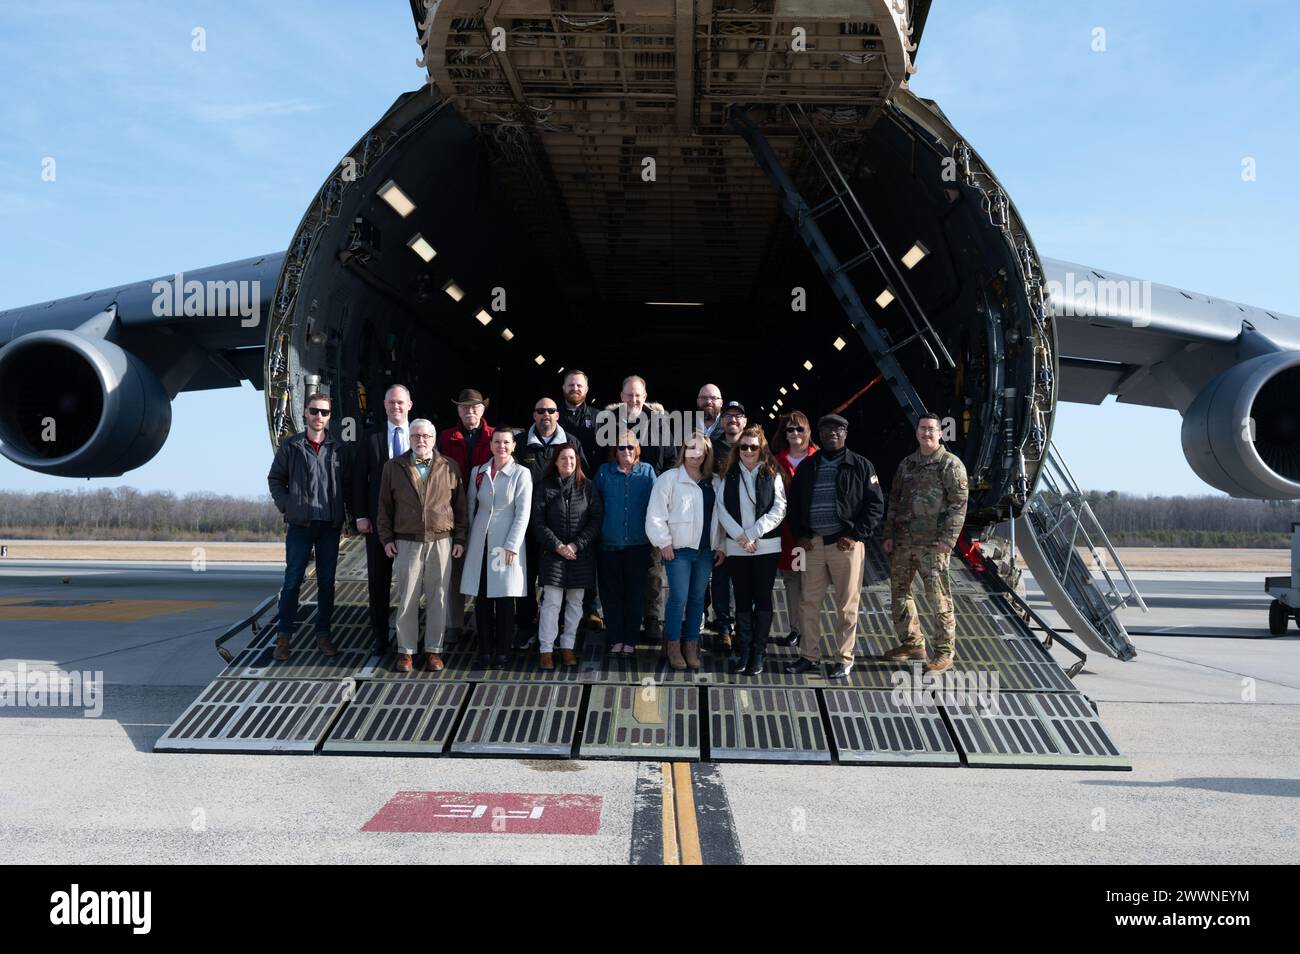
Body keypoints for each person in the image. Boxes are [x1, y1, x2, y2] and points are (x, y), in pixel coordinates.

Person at [784, 414, 885, 679]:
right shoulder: (808, 466)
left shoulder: (861, 466)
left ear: (846, 433)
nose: (832, 433)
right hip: (813, 544)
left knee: (847, 605)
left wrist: (855, 535)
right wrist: (801, 535)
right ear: (819, 433)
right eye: (827, 428)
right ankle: (809, 655)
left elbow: (875, 506)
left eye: (838, 428)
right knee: (808, 602)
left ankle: (844, 658)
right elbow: (793, 505)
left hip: (846, 546)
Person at [881, 413, 970, 674]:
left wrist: (948, 540)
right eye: (922, 429)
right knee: (899, 595)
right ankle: (912, 643)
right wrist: (888, 535)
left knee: (939, 599)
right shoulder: (907, 464)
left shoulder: (950, 465)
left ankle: (944, 653)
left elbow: (959, 505)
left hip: (933, 546)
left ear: (940, 433)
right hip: (904, 543)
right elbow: (894, 501)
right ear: (917, 432)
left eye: (931, 429)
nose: (926, 433)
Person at [266, 392, 351, 662]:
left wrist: (347, 517)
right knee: (292, 581)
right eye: (314, 411)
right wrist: (286, 506)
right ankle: (283, 636)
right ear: (305, 413)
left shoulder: (338, 449)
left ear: (330, 417)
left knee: (327, 582)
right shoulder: (291, 446)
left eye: (324, 412)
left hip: (329, 525)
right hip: (300, 525)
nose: (319, 417)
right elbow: (275, 479)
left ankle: (323, 634)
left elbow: (347, 486)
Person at [376, 419, 467, 672]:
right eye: (415, 436)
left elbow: (460, 507)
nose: (421, 440)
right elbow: (383, 507)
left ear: (434, 438)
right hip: (407, 542)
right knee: (408, 598)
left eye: (426, 436)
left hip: (441, 541)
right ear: (409, 439)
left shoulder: (450, 466)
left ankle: (434, 651)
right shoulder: (393, 467)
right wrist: (386, 539)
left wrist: (459, 538)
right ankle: (406, 652)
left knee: (438, 598)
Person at [598, 375, 678, 644]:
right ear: (621, 396)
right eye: (629, 395)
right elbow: (600, 461)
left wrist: (664, 497)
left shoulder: (661, 424)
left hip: (651, 502)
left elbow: (670, 461)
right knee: (619, 573)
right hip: (619, 500)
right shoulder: (608, 423)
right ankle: (617, 623)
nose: (634, 400)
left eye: (638, 395)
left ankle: (652, 618)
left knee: (653, 569)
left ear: (646, 397)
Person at [645, 431, 723, 671]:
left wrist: (721, 545)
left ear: (707, 454)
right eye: (691, 448)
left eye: (701, 449)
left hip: (705, 552)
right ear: (684, 450)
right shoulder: (669, 479)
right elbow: (655, 514)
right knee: (678, 597)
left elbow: (721, 518)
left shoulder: (714, 482)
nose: (695, 453)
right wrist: (663, 542)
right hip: (678, 551)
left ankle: (691, 645)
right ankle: (673, 646)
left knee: (697, 599)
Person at [515, 396, 589, 646]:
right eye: (540, 411)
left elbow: (583, 482)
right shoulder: (520, 443)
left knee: (558, 585)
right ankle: (525, 628)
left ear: (558, 415)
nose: (546, 414)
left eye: (551, 410)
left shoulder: (571, 443)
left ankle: (558, 634)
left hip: (561, 530)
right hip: (527, 526)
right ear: (533, 415)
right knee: (525, 579)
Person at [715, 425, 786, 675]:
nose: (747, 450)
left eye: (753, 447)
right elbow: (720, 508)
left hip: (766, 547)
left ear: (762, 448)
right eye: (743, 446)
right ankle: (744, 651)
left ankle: (759, 652)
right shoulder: (728, 474)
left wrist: (753, 533)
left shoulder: (772, 473)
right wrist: (740, 537)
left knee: (763, 598)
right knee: (742, 598)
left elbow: (779, 509)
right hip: (737, 547)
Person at [351, 383, 414, 656]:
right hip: (378, 523)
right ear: (384, 405)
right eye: (391, 403)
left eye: (400, 402)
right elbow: (357, 478)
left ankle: (409, 638)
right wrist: (361, 515)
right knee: (378, 582)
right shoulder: (372, 437)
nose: (395, 407)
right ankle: (379, 637)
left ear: (410, 405)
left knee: (412, 583)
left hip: (412, 525)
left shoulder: (422, 435)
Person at [461, 428, 532, 668]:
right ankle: (484, 650)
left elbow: (523, 514)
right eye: (497, 442)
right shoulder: (477, 472)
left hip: (503, 545)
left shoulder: (521, 474)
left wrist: (512, 545)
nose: (501, 446)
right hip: (480, 544)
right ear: (490, 445)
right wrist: (468, 542)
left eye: (506, 442)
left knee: (503, 600)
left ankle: (503, 651)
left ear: (513, 446)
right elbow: (471, 507)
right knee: (481, 600)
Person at [532, 444, 602, 669]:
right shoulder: (544, 487)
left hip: (579, 554)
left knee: (575, 603)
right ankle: (546, 649)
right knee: (551, 602)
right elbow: (538, 523)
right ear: (555, 461)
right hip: (553, 554)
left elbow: (595, 521)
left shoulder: (588, 487)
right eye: (563, 458)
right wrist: (557, 545)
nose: (568, 462)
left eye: (572, 458)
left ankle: (568, 647)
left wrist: (575, 545)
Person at [438, 389, 495, 643]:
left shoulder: (495, 437)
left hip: (487, 510)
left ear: (483, 410)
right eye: (464, 408)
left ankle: (490, 621)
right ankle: (454, 623)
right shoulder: (445, 437)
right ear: (458, 411)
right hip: (452, 510)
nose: (469, 412)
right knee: (454, 569)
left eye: (474, 407)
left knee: (490, 567)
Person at [594, 431, 656, 655]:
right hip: (609, 544)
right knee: (611, 594)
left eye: (631, 447)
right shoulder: (604, 473)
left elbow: (657, 505)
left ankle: (630, 638)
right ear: (615, 451)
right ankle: (615, 637)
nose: (626, 451)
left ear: (637, 449)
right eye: (621, 447)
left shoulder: (647, 472)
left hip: (638, 545)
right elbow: (595, 507)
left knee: (635, 593)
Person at [771, 410, 818, 649]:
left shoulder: (820, 458)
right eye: (790, 429)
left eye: (800, 429)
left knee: (813, 583)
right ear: (784, 434)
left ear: (808, 431)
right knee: (792, 582)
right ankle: (795, 629)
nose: (796, 433)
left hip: (816, 533)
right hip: (789, 533)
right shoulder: (777, 461)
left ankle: (810, 630)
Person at [707, 400, 747, 650]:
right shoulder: (713, 449)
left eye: (738, 415)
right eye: (728, 415)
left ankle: (743, 627)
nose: (733, 419)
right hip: (722, 521)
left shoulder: (756, 446)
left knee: (745, 579)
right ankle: (723, 626)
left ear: (745, 420)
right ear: (722, 421)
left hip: (748, 524)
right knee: (721, 576)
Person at [558, 369, 599, 471]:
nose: (575, 388)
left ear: (586, 389)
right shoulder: (553, 416)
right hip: (560, 478)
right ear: (564, 387)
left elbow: (609, 452)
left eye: (579, 386)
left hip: (590, 477)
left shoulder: (600, 417)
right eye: (571, 385)